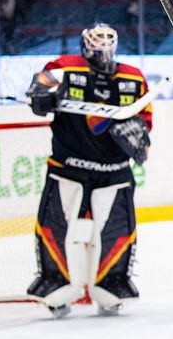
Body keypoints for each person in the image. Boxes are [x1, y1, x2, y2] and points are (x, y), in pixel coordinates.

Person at [25, 23, 152, 318]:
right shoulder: (65, 68)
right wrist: (42, 96)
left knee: (115, 230)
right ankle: (56, 283)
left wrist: (137, 133)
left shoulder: (133, 77)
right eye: (96, 47)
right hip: (68, 168)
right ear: (85, 46)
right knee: (55, 227)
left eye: (106, 48)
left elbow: (145, 120)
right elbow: (40, 87)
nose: (101, 54)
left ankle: (111, 283)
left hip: (115, 171)